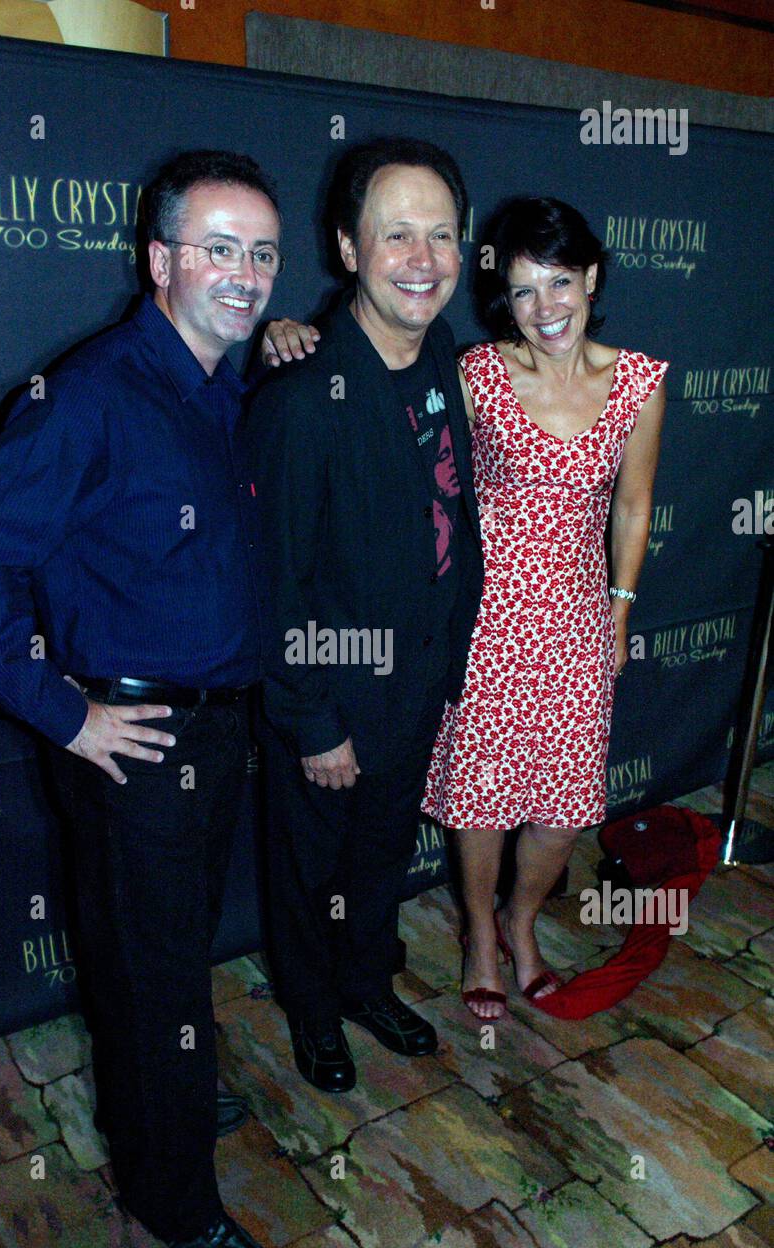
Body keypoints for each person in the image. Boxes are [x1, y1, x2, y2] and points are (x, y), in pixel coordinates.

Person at [0, 150, 284, 1248]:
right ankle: (173, 1197)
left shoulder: (219, 385)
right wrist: (64, 715)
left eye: (262, 252)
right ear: (160, 260)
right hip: (132, 741)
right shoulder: (90, 394)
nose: (244, 273)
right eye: (217, 249)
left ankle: (161, 1093)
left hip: (213, 729)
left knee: (167, 960)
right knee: (151, 974)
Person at [246, 137, 484, 1092]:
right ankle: (312, 1010)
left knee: (381, 855)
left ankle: (364, 983)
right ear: (348, 249)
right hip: (332, 702)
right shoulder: (300, 398)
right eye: (396, 235)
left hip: (419, 684)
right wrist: (311, 720)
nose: (422, 259)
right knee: (309, 869)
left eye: (441, 235)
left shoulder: (447, 361)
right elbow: (274, 582)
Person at [421, 196, 667, 1021]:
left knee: (562, 813)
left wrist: (618, 613)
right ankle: (479, 936)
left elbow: (632, 506)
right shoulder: (478, 373)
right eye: (522, 290)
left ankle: (520, 922)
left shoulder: (636, 382)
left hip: (575, 624)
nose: (543, 307)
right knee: (480, 797)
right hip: (487, 621)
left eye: (558, 281)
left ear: (591, 277)